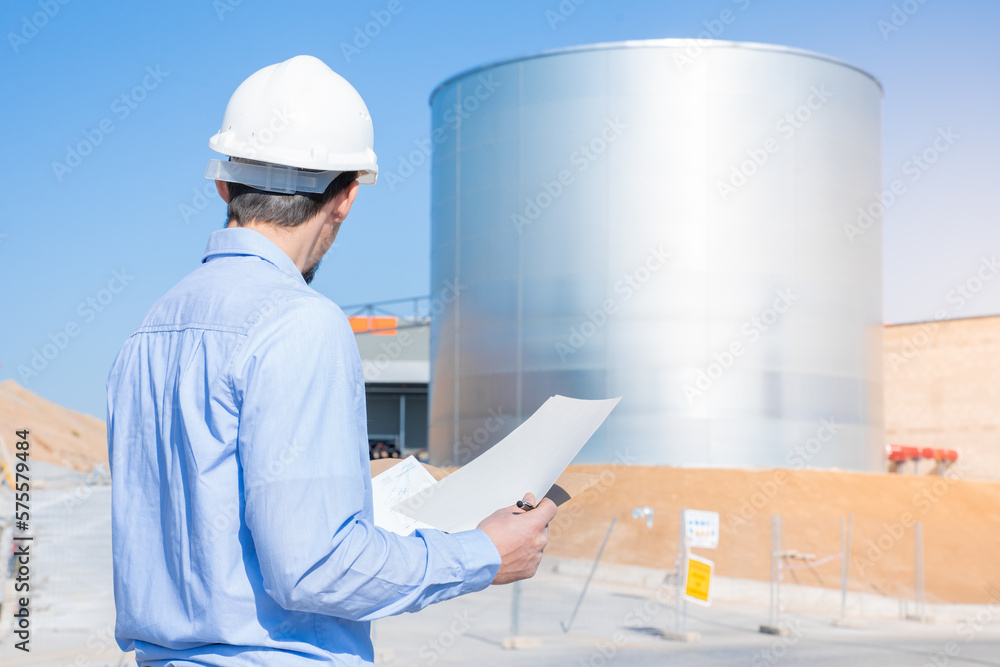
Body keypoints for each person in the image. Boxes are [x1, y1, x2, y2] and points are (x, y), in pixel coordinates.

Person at [106, 55, 556, 667]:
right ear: (345, 198)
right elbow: (314, 568)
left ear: (223, 185)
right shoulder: (300, 321)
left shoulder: (147, 331)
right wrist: (483, 553)